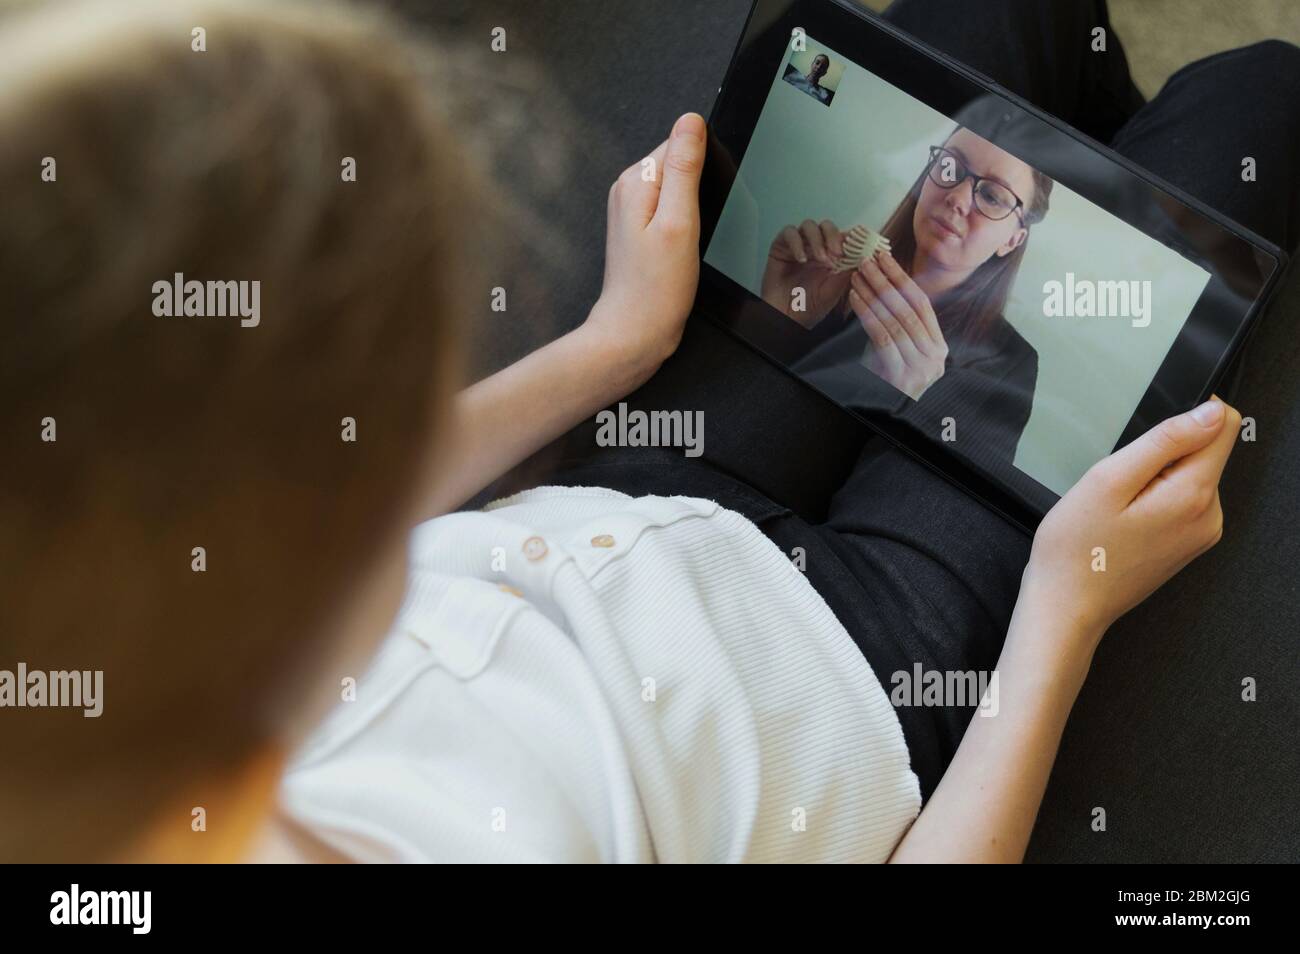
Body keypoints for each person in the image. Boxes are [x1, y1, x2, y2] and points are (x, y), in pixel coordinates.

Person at [0, 0, 1287, 863]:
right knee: (1258, 105)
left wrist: (616, 342)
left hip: (640, 494)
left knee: (986, 18)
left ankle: (1093, 81)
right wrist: (1064, 608)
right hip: (845, 680)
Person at [762, 124, 1052, 465]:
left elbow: (938, 508)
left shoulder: (1009, 366)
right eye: (948, 167)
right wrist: (777, 321)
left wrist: (907, 406)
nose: (957, 198)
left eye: (991, 196)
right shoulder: (826, 278)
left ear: (1012, 240)